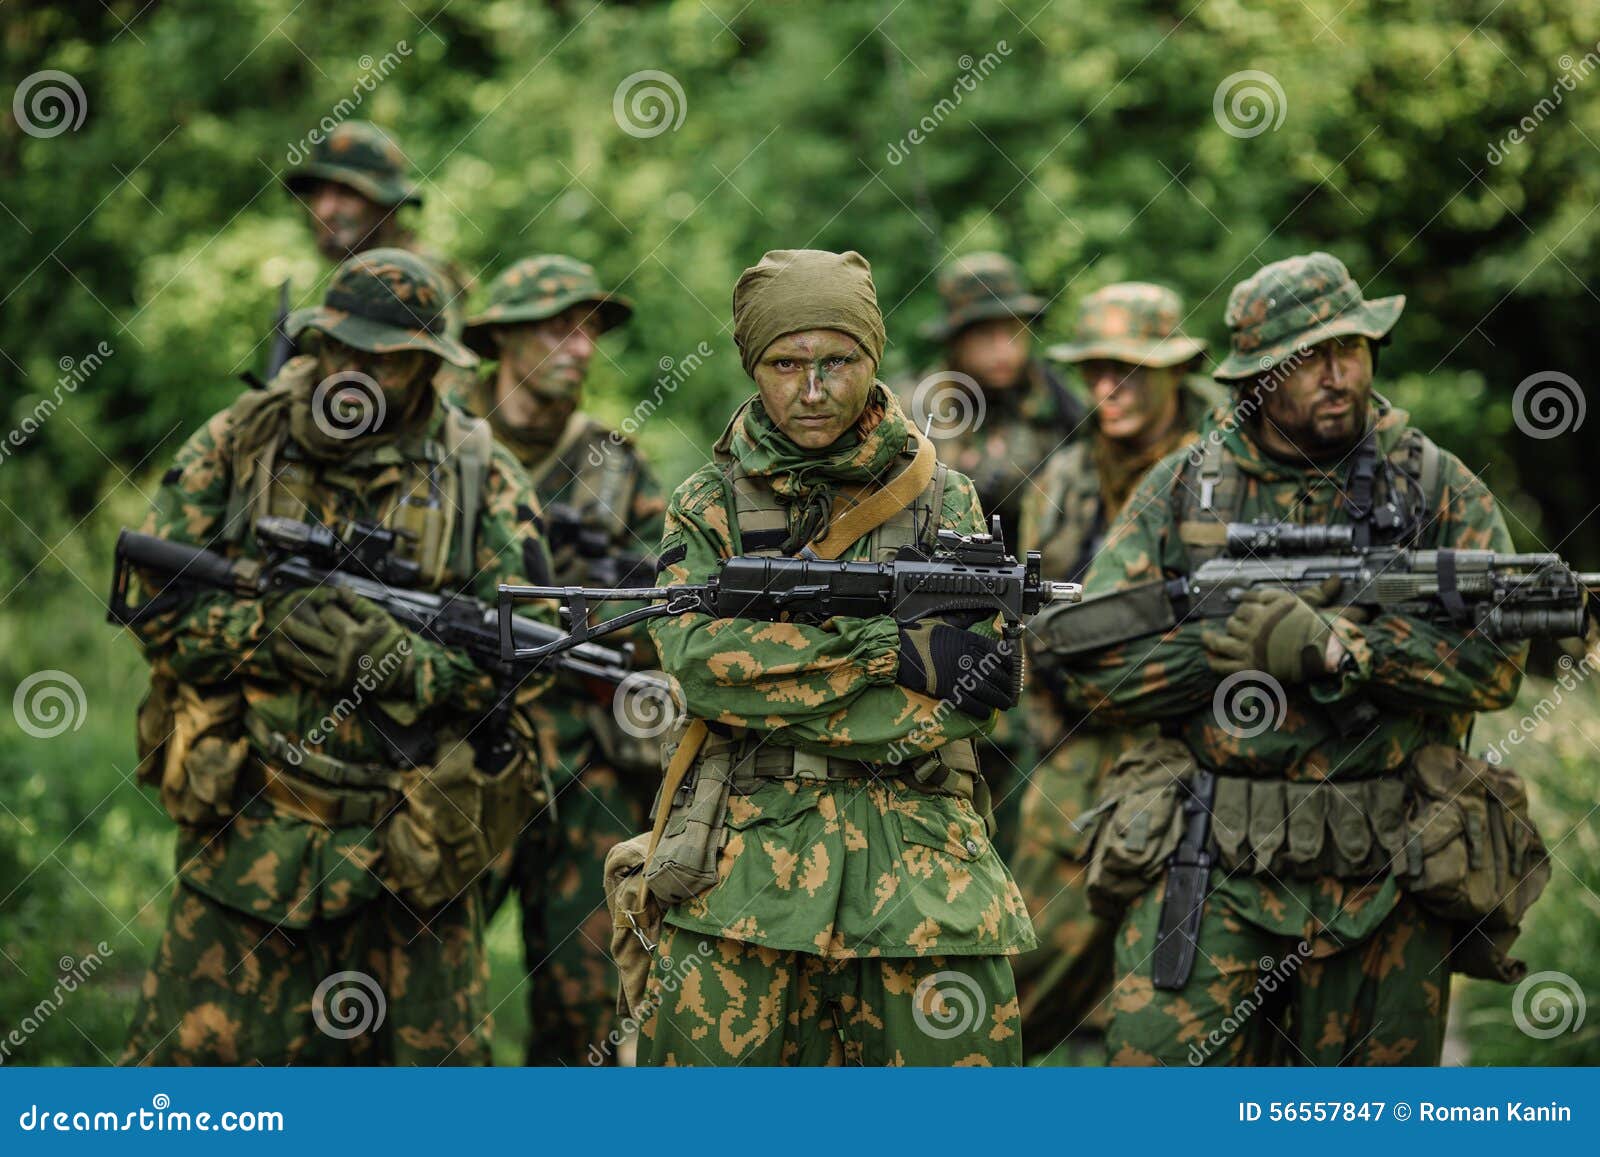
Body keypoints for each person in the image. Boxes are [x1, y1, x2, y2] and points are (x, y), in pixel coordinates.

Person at [1039, 252, 1533, 1065]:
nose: (1338, 374)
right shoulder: (1186, 489)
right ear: (1259, 376)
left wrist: (1347, 650)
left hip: (1389, 876)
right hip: (1207, 867)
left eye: (1352, 348)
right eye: (1308, 358)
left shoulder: (1434, 486)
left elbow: (1497, 664)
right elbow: (1092, 659)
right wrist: (1224, 652)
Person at [120, 249, 554, 1065]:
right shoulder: (240, 442)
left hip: (414, 857)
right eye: (341, 350)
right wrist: (272, 633)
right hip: (249, 840)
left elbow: (529, 662)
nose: (353, 375)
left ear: (428, 367)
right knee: (176, 1104)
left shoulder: (481, 476)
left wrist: (396, 663)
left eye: (383, 360)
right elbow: (154, 602)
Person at [639, 249, 1034, 1065]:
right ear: (755, 365)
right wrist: (886, 651)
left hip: (926, 872)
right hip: (740, 871)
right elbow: (705, 669)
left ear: (872, 358)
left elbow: (970, 688)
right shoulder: (708, 504)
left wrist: (783, 673)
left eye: (837, 362)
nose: (812, 389)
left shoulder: (943, 497)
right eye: (786, 364)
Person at [457, 254, 667, 1065]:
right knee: (417, 977)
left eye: (587, 330)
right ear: (502, 337)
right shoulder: (442, 443)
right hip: (462, 746)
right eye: (555, 326)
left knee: (588, 1000)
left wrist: (609, 615)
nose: (577, 346)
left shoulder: (613, 459)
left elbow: (666, 601)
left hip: (586, 762)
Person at [1011, 282, 1218, 1063]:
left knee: (1182, 991)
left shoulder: (1229, 465)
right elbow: (1034, 621)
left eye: (1129, 370)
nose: (1108, 388)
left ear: (1173, 371)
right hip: (1081, 750)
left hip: (1203, 756)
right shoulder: (1063, 481)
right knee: (1020, 977)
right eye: (1096, 370)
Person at [898, 251, 1087, 861]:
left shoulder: (1061, 407)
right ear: (956, 342)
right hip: (942, 617)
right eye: (985, 334)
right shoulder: (922, 406)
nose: (1004, 348)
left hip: (1042, 607)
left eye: (1014, 330)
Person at [281, 120, 471, 390]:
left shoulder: (418, 281)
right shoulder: (356, 276)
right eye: (318, 193)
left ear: (387, 204)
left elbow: (442, 396)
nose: (324, 210)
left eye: (346, 193)